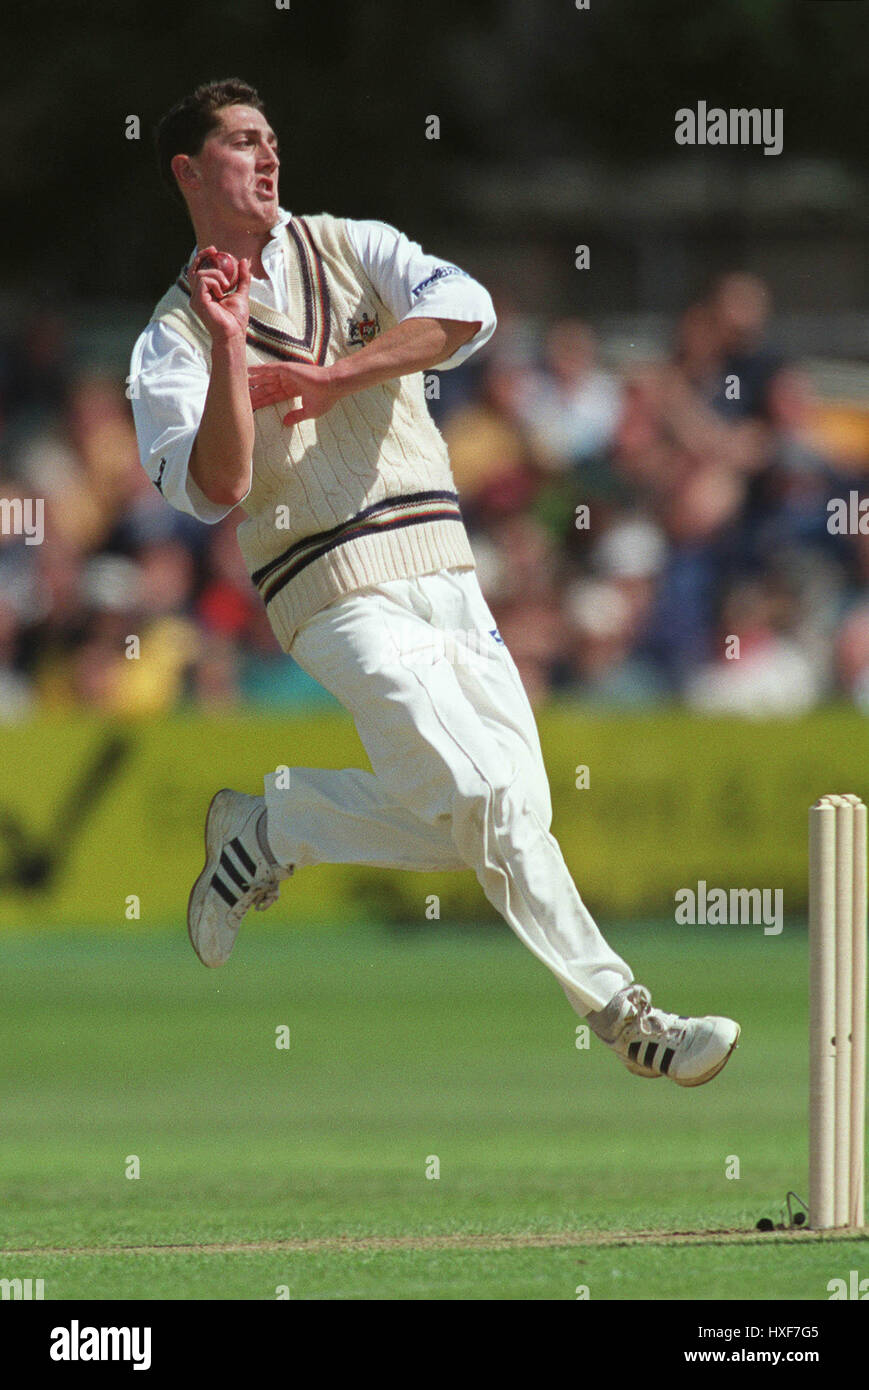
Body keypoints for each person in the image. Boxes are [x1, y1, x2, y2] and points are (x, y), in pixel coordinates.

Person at [130, 78, 740, 1088]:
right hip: (328, 589)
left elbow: (466, 308)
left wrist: (336, 377)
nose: (268, 156)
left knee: (499, 817)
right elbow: (219, 484)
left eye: (272, 137)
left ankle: (274, 825)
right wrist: (234, 347)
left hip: (446, 567)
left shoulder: (348, 242)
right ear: (188, 172)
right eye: (241, 143)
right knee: (483, 794)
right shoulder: (171, 340)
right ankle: (629, 1019)